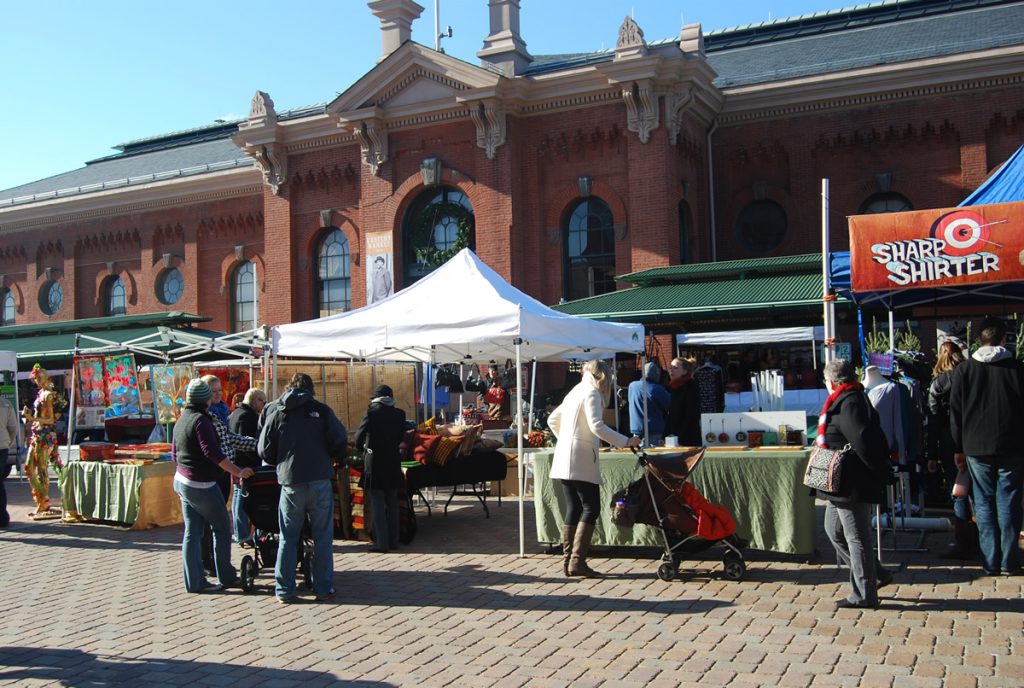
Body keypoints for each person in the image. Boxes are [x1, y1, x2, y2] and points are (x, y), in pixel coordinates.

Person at [548, 359, 642, 578]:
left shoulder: (575, 391)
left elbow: (553, 419)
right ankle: (577, 562)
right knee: (591, 507)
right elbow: (596, 426)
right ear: (603, 376)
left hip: (565, 456)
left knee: (575, 508)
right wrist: (626, 441)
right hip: (580, 457)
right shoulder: (591, 393)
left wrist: (567, 440)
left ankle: (569, 562)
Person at [259, 373, 348, 603]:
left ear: (289, 386)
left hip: (290, 482)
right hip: (319, 479)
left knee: (288, 538)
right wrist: (331, 456)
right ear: (311, 389)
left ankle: (284, 590)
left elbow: (264, 449)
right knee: (322, 537)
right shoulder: (322, 410)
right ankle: (323, 588)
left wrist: (281, 459)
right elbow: (339, 440)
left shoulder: (277, 411)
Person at [817, 359, 895, 609]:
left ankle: (864, 593)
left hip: (851, 481)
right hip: (840, 482)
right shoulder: (849, 398)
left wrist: (878, 472)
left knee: (855, 537)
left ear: (831, 382)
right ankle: (875, 574)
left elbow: (862, 439)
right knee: (834, 530)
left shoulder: (850, 401)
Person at [949, 317, 1024, 577]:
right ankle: (1010, 561)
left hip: (975, 445)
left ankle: (991, 561)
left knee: (983, 503)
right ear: (1004, 339)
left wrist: (957, 446)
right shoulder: (1017, 368)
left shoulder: (965, 370)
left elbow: (955, 412)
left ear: (978, 340)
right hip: (1013, 444)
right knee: (1010, 502)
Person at [171, 379, 254, 593]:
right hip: (200, 484)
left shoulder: (182, 419)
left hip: (182, 480)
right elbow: (212, 453)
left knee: (192, 532)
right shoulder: (201, 421)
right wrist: (238, 471)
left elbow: (174, 454)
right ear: (206, 399)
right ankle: (226, 577)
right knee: (222, 528)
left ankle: (195, 582)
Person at [199, 374, 257, 572]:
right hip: (217, 471)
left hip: (223, 470)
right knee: (215, 522)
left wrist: (257, 445)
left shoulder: (221, 412)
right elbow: (220, 446)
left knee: (213, 520)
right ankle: (213, 564)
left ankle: (211, 562)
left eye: (218, 390)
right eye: (212, 391)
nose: (217, 394)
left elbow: (230, 439)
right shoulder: (208, 417)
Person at [927, 341, 975, 558]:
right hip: (974, 435)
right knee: (977, 490)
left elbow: (934, 419)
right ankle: (982, 536)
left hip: (948, 439)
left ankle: (962, 539)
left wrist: (931, 454)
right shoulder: (971, 375)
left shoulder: (938, 383)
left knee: (958, 491)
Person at [353, 384, 407, 553]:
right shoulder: (400, 414)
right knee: (392, 501)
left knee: (377, 501)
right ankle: (393, 541)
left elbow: (358, 439)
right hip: (392, 460)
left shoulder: (371, 413)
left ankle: (381, 543)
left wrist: (364, 448)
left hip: (374, 461)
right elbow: (401, 437)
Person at [228, 387, 267, 546]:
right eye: (262, 401)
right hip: (244, 464)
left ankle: (241, 533)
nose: (264, 405)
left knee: (239, 497)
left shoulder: (236, 413)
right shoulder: (246, 416)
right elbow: (245, 443)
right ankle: (242, 533)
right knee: (242, 499)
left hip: (239, 463)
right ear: (254, 400)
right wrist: (257, 459)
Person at [22, 364, 63, 519]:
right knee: (28, 468)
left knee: (42, 469)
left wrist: (32, 418)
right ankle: (42, 499)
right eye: (35, 378)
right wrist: (31, 417)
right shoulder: (41, 394)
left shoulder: (48, 395)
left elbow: (50, 419)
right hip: (37, 434)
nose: (37, 380)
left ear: (46, 378)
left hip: (45, 436)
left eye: (39, 378)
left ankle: (43, 502)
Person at [627, 361, 670, 446]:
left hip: (636, 429)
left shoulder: (632, 386)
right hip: (654, 430)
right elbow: (670, 405)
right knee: (654, 457)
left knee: (641, 456)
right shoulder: (657, 388)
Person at [667, 357, 701, 446]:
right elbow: (671, 415)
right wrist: (665, 436)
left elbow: (691, 415)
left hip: (688, 439)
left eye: (675, 368)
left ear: (685, 371)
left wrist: (680, 438)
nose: (671, 370)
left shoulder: (691, 387)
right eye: (670, 367)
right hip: (674, 438)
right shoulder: (673, 387)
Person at [0, 394, 20, 528]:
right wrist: (7, 442)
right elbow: (13, 428)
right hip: (2, 447)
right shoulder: (5, 404)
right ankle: (2, 517)